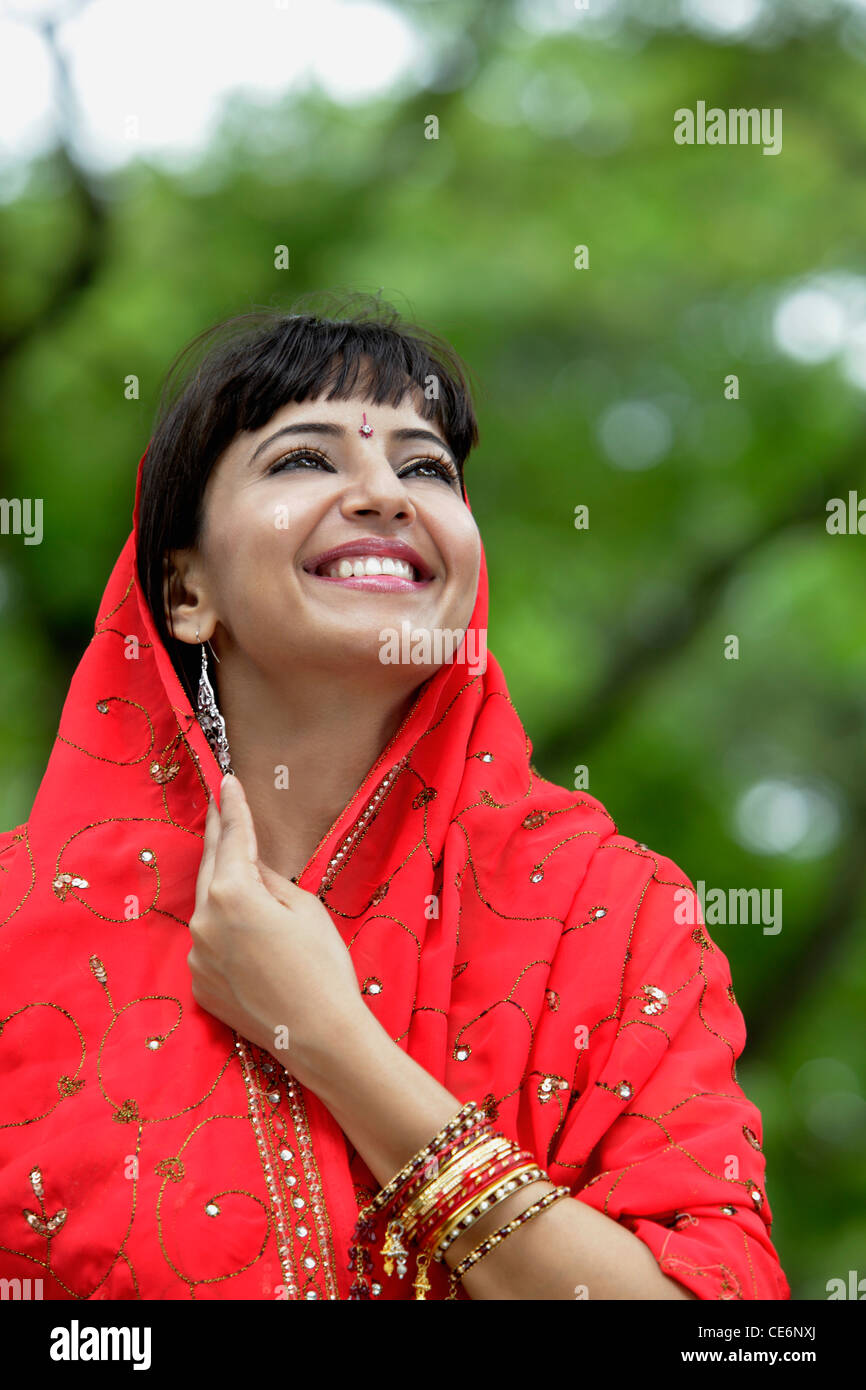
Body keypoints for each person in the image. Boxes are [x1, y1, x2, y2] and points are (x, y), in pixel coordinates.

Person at [0, 296, 790, 1300]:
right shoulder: (19, 925)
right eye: (303, 459)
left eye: (425, 468)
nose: (384, 494)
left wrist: (329, 1038)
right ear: (185, 590)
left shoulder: (617, 911)